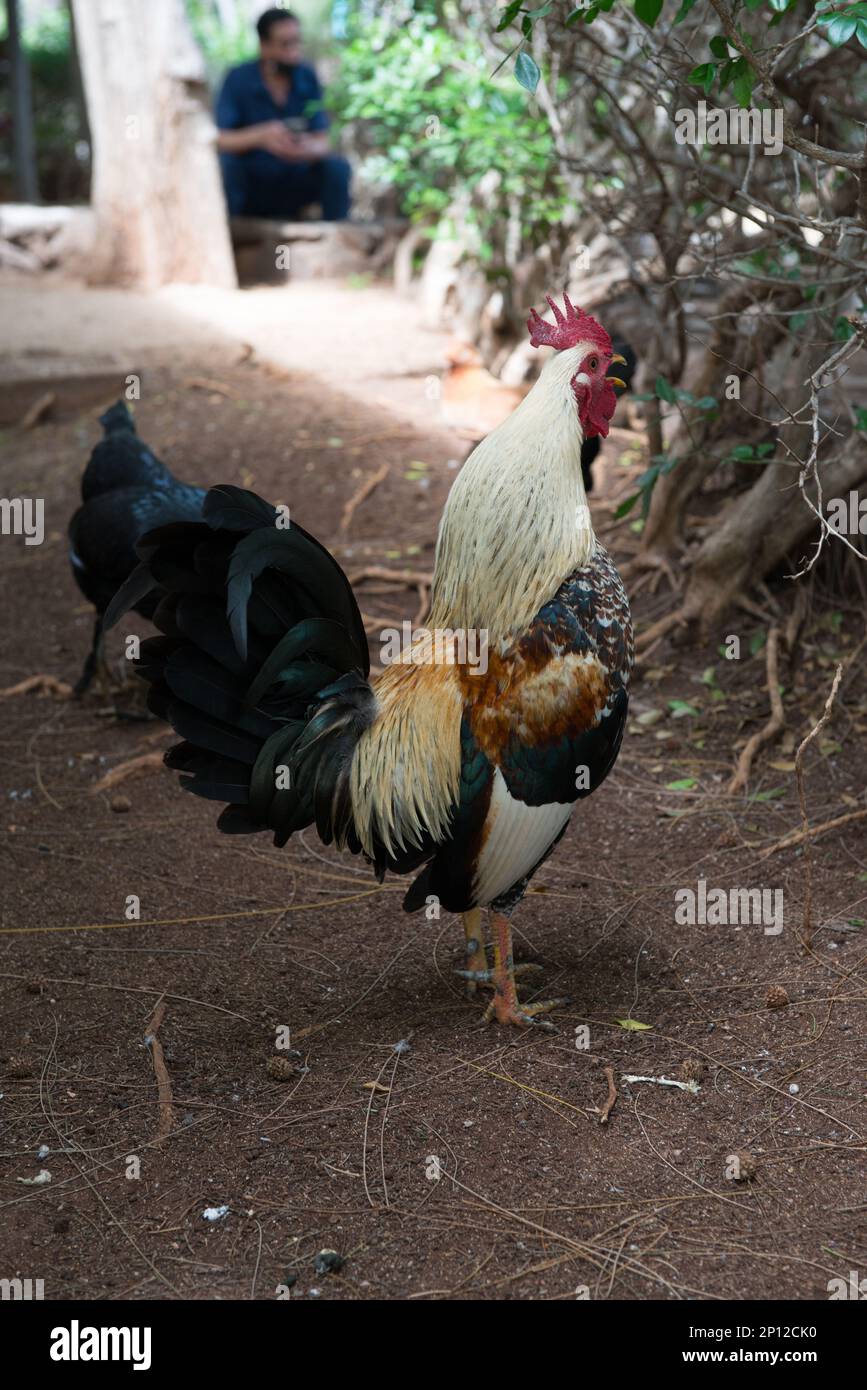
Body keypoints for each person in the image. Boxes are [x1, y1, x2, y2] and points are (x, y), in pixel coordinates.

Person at [215, 7, 351, 221]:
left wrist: (304, 148)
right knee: (228, 166)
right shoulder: (238, 79)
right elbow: (219, 139)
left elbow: (324, 140)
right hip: (253, 183)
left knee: (337, 168)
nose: (294, 52)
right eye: (285, 44)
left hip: (294, 177)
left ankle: (338, 235)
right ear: (264, 45)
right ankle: (235, 236)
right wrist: (262, 137)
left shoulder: (306, 77)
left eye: (297, 42)